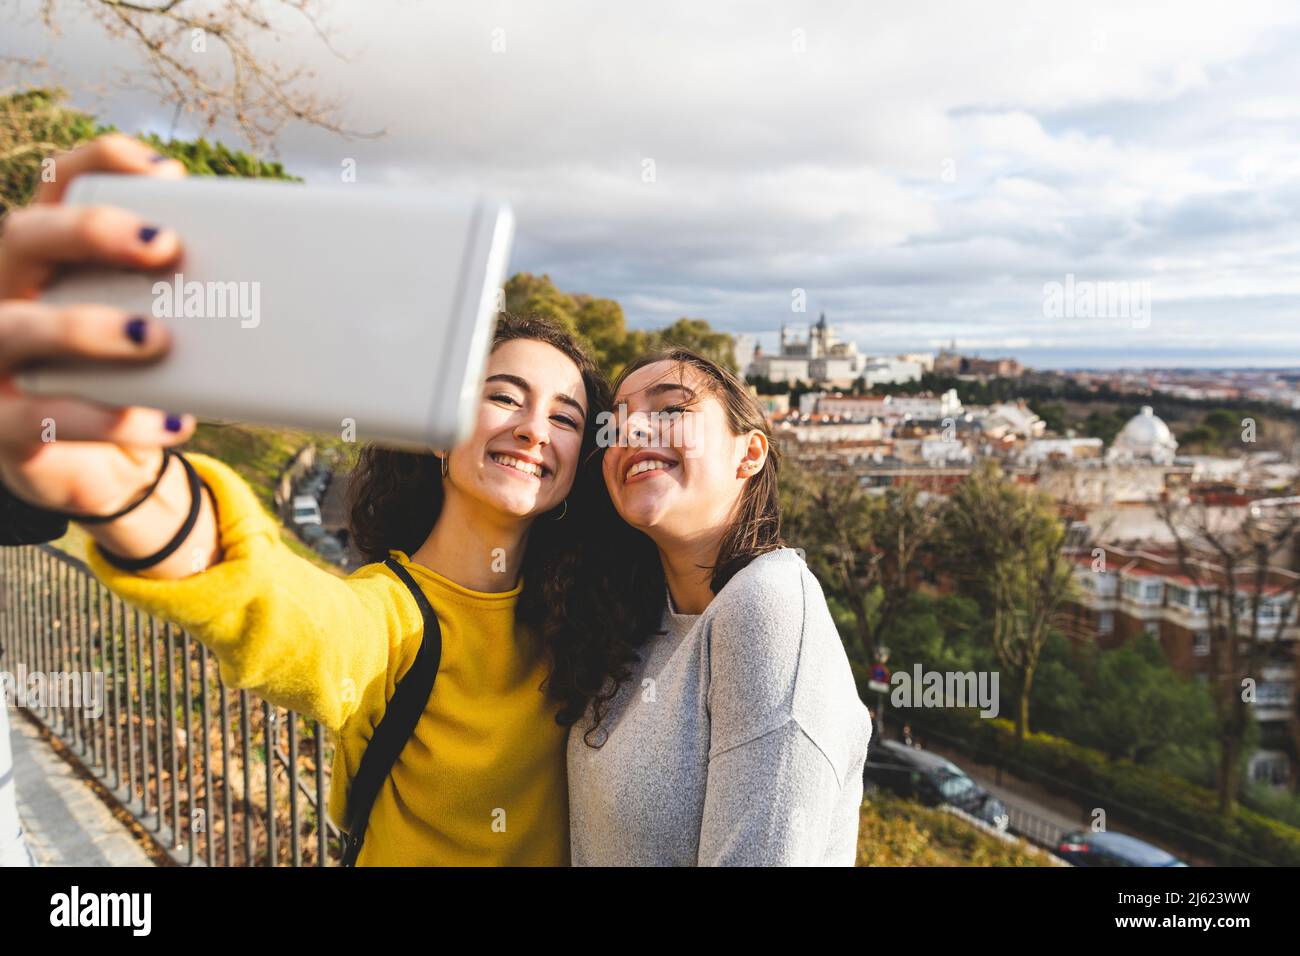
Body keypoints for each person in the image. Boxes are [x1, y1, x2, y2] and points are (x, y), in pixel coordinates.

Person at [0, 134, 619, 864]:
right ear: (434, 434)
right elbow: (278, 604)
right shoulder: (390, 619)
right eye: (502, 398)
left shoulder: (592, 619)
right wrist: (130, 490)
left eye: (566, 418)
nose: (531, 430)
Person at [566, 349, 873, 865]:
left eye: (670, 411)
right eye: (615, 424)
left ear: (749, 453)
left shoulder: (769, 603)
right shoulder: (637, 623)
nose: (633, 432)